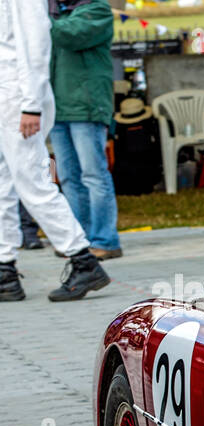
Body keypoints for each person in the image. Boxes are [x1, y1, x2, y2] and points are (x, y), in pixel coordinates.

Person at [0, 0, 109, 302]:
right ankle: (5, 268)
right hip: (9, 93)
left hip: (17, 95)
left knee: (32, 182)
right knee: (3, 185)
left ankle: (82, 259)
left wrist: (31, 105)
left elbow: (36, 43)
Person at [49, 0, 120, 260]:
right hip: (57, 108)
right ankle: (80, 241)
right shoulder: (55, 12)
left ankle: (105, 240)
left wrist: (35, 17)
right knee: (68, 177)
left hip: (87, 106)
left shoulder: (97, 9)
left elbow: (69, 35)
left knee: (93, 175)